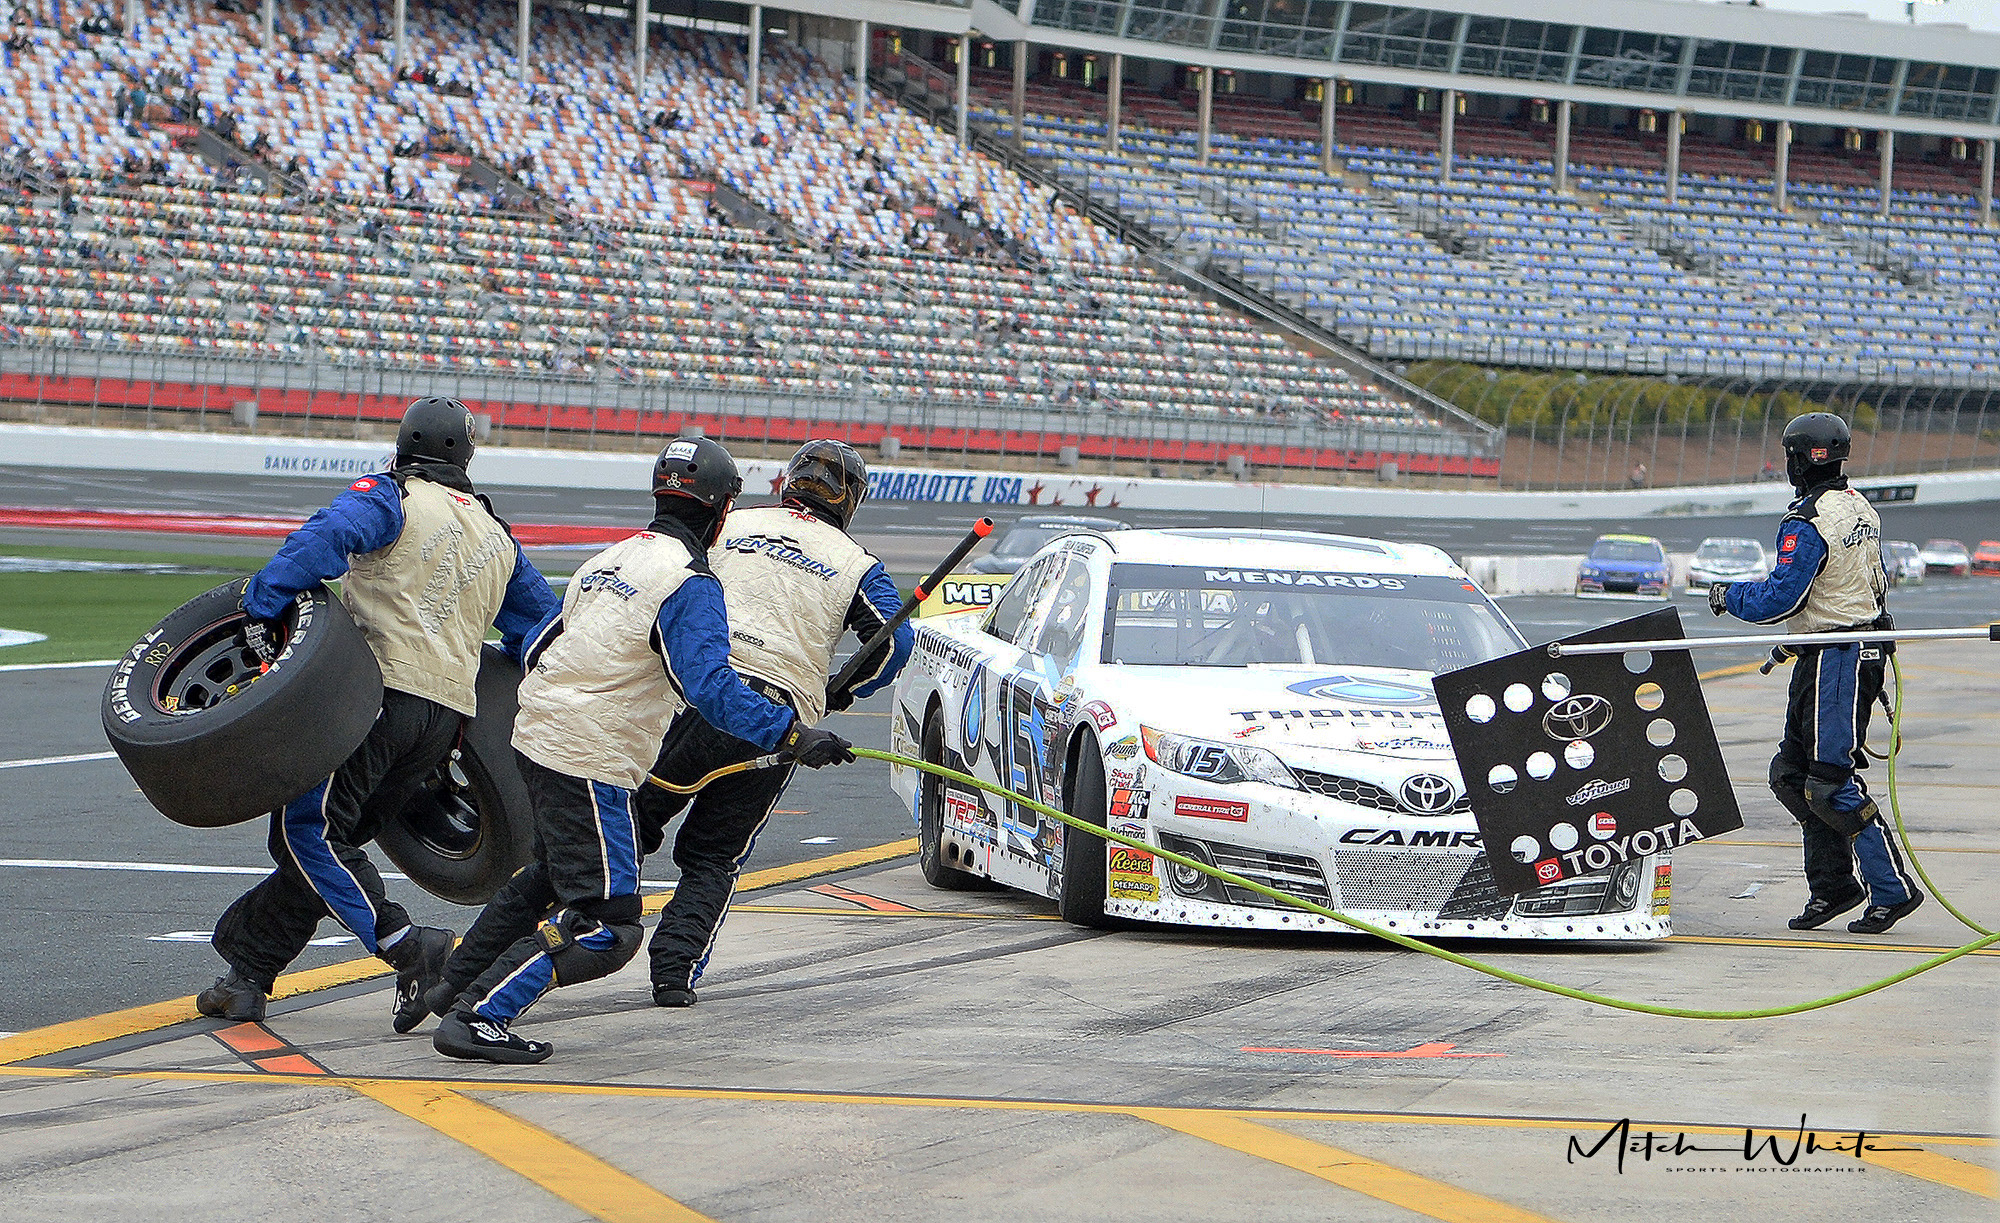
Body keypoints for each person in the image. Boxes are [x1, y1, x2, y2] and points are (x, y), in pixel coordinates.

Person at [423, 438, 857, 1064]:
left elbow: (543, 641)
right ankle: (479, 1016)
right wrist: (794, 735)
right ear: (724, 507)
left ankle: (448, 988)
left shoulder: (610, 558)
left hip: (537, 735)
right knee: (609, 927)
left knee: (549, 874)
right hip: (590, 757)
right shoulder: (691, 583)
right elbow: (709, 688)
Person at [196, 398, 560, 1027]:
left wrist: (263, 608)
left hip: (370, 699)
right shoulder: (497, 535)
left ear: (404, 445)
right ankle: (248, 974)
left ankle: (408, 946)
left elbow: (323, 539)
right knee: (333, 848)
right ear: (466, 455)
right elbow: (540, 628)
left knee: (306, 833)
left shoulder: (390, 496)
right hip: (446, 723)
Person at [636, 439, 913, 1008]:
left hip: (694, 695)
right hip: (777, 719)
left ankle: (559, 928)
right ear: (850, 499)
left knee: (629, 824)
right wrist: (838, 692)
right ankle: (673, 974)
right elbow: (894, 641)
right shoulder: (857, 563)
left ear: (787, 481)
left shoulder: (728, 523)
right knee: (713, 855)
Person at [1711, 412, 1920, 935]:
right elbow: (1845, 588)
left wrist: (1727, 595)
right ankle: (1834, 888)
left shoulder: (1806, 521)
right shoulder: (1857, 505)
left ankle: (1892, 890)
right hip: (1834, 649)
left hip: (1840, 659)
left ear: (1799, 460)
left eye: (1789, 457)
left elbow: (1780, 597)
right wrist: (1795, 641)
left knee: (1829, 783)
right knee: (1792, 776)